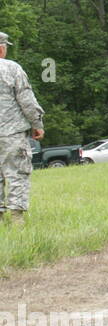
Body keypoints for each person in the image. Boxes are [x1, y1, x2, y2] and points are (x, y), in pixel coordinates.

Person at [0, 32, 43, 228]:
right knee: (17, 174)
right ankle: (17, 220)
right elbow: (26, 100)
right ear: (1, 48)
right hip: (12, 134)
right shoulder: (12, 68)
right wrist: (37, 124)